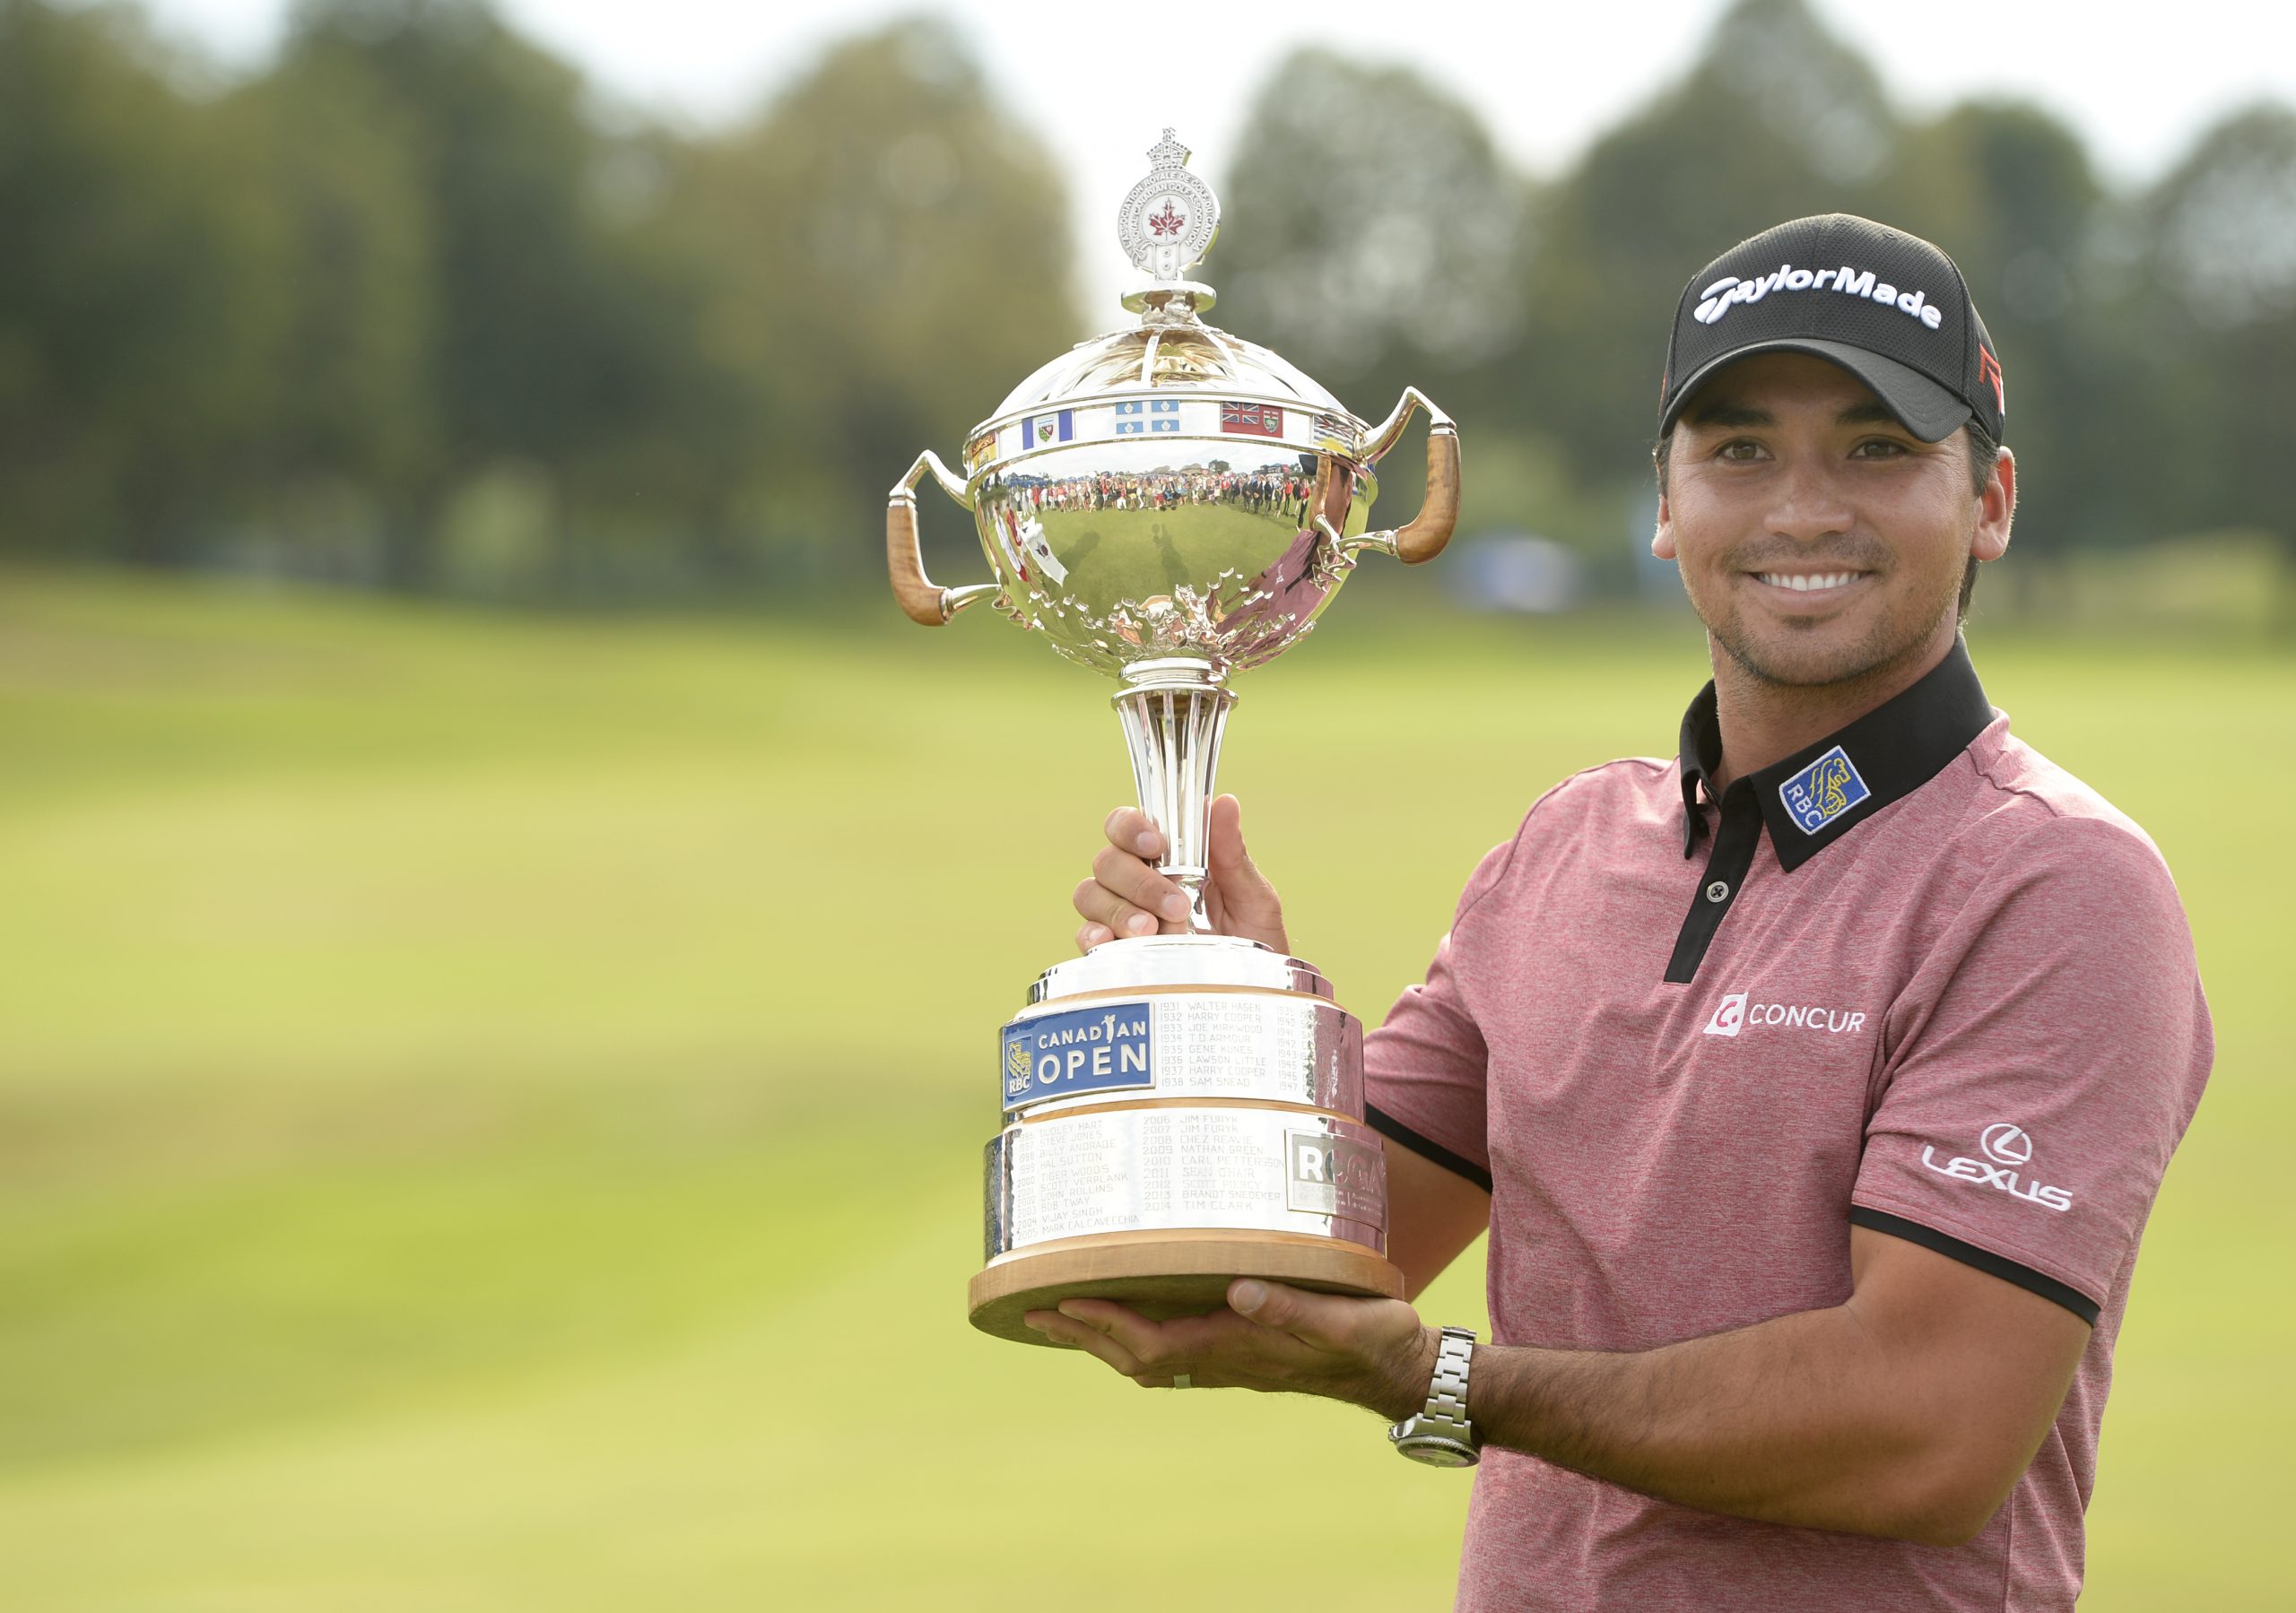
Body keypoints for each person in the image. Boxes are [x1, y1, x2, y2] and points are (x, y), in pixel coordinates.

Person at [1029, 214, 2213, 1611]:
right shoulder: (1567, 849)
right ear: (1666, 503)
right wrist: (1227, 1014)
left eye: (1879, 448)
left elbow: (1926, 1430)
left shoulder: (2056, 885)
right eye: (1738, 448)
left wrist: (1444, 1379)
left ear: (1992, 500)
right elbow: (1325, 1261)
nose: (1802, 507)